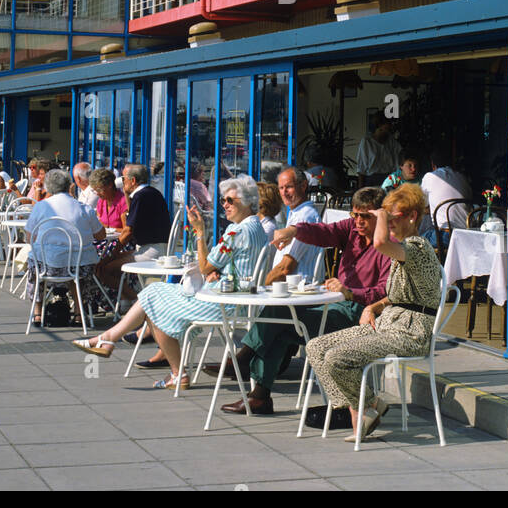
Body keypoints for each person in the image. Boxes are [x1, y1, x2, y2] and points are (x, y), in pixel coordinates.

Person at [71, 175, 268, 393]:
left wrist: (200, 232)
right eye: (223, 200)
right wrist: (216, 271)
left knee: (154, 301)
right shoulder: (256, 227)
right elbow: (232, 265)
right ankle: (111, 341)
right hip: (238, 299)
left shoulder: (236, 231)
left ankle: (119, 344)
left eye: (230, 201)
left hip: (224, 302)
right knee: (154, 294)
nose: (225, 205)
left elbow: (205, 267)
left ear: (248, 202)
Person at [217, 186, 392, 417]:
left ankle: (244, 361)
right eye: (355, 214)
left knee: (278, 316)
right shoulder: (351, 230)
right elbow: (322, 232)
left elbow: (387, 290)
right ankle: (259, 395)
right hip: (335, 305)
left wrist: (351, 291)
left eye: (365, 216)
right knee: (278, 318)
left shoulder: (389, 244)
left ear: (380, 215)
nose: (358, 221)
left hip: (359, 313)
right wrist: (293, 230)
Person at [304, 184, 442, 441]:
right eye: (384, 216)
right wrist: (372, 306)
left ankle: (363, 408)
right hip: (388, 324)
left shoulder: (417, 248)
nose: (386, 221)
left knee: (336, 357)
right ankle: (366, 405)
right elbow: (398, 294)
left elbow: (379, 243)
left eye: (392, 217)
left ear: (412, 216)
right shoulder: (402, 249)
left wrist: (379, 216)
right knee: (315, 347)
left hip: (410, 331)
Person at [22, 169, 107, 324]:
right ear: (69, 186)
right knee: (77, 275)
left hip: (47, 267)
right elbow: (101, 236)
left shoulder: (41, 207)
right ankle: (79, 313)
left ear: (48, 187)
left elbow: (30, 238)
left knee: (35, 266)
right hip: (78, 267)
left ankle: (37, 312)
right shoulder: (83, 208)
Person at [95, 163, 170, 293]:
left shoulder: (141, 196)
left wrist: (112, 254)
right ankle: (126, 300)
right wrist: (126, 194)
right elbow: (132, 218)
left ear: (133, 180)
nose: (122, 182)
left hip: (152, 251)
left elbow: (128, 230)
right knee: (111, 263)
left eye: (124, 178)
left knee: (104, 268)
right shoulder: (151, 193)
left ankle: (134, 300)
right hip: (157, 248)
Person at [421, 154, 475, 231]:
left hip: (444, 234)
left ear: (433, 164)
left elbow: (422, 205)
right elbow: (469, 199)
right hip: (466, 232)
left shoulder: (429, 176)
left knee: (417, 240)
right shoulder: (462, 177)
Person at [355, 118, 400, 187]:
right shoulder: (367, 142)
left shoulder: (392, 142)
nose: (388, 130)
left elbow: (397, 162)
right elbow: (361, 167)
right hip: (372, 180)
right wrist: (360, 187)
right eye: (386, 127)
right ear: (379, 126)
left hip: (389, 179)